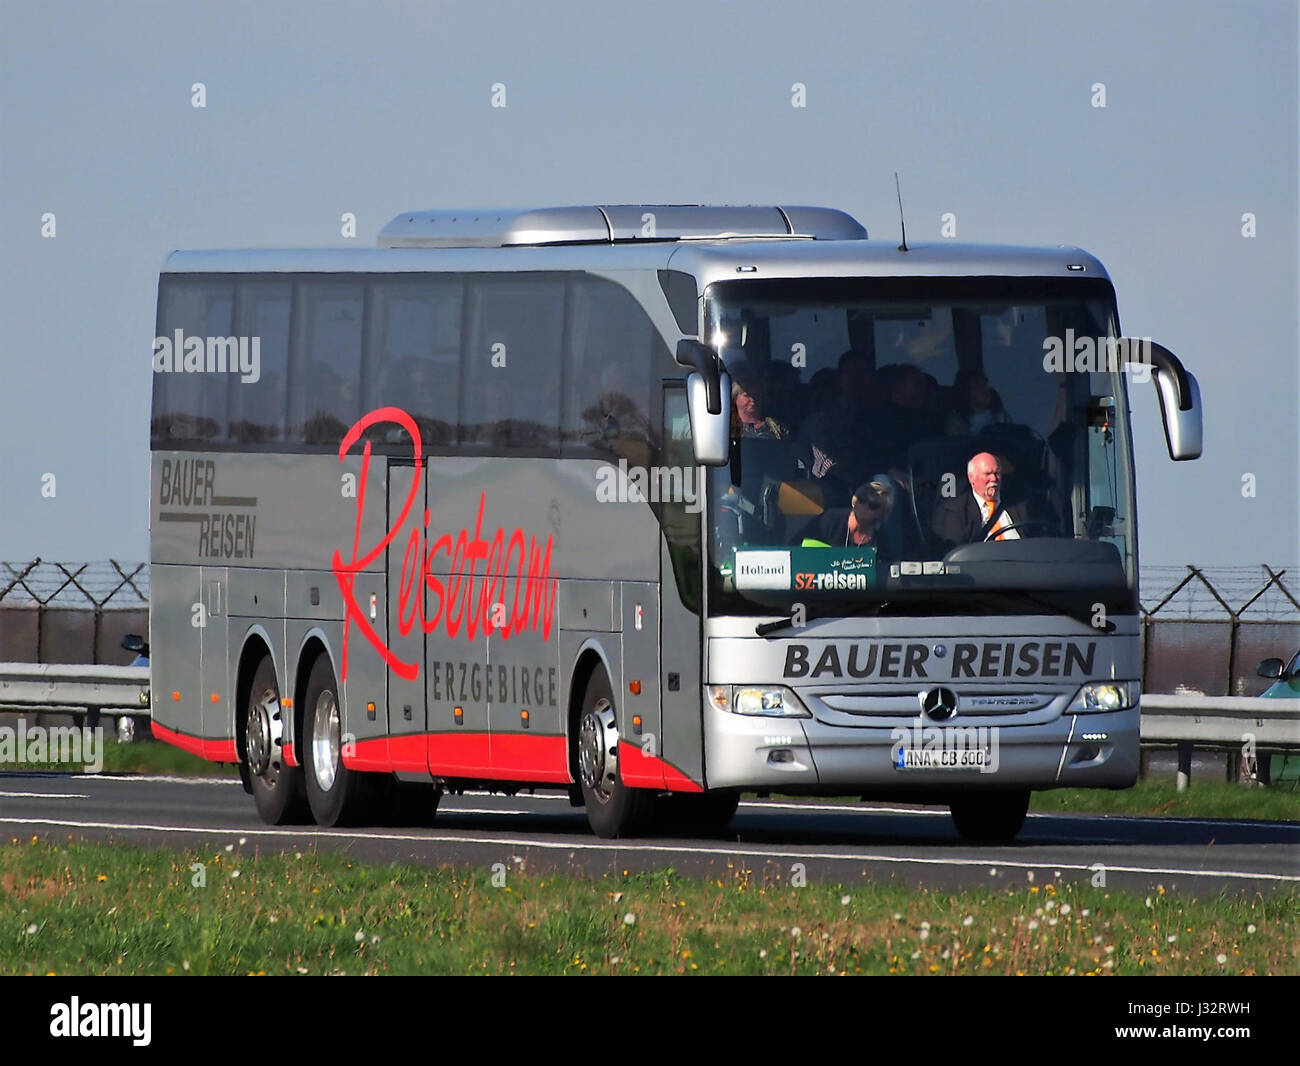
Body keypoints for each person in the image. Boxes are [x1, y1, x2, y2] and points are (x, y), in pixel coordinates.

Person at [931, 451, 1040, 548]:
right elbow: (955, 556)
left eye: (997, 473)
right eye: (987, 474)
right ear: (971, 478)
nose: (994, 479)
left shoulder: (1020, 503)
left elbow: (1040, 540)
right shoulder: (956, 511)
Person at [803, 480, 894, 551]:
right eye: (862, 499)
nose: (865, 506)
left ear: (882, 512)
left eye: (873, 505)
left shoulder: (881, 538)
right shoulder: (830, 519)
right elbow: (804, 545)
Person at [946, 368, 1009, 436]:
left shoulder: (1001, 416)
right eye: (977, 385)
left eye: (985, 384)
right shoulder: (956, 423)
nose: (984, 389)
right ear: (965, 391)